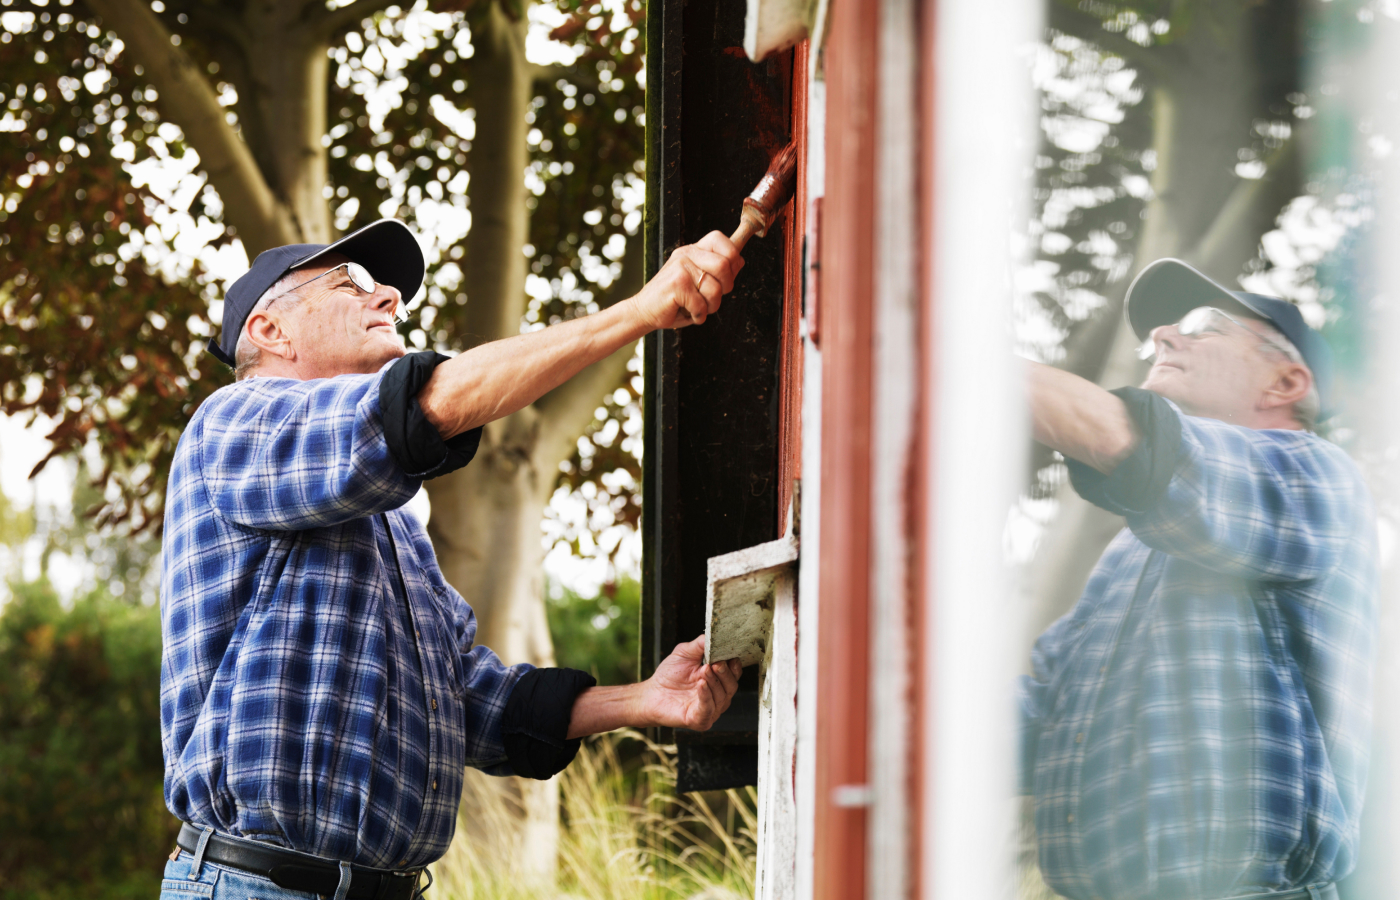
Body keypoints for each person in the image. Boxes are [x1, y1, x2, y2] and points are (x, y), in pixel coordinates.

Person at [159, 218, 747, 900]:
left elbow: (471, 699)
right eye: (353, 283)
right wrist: (639, 312)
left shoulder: (394, 523)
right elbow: (414, 411)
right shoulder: (234, 421)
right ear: (270, 332)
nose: (388, 299)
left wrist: (646, 700)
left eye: (389, 290)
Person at [1020, 258, 1377, 900]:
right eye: (1161, 328)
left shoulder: (1319, 477)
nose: (1164, 334)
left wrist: (944, 356)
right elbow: (1042, 711)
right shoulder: (1130, 554)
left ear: (1285, 382)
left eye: (1202, 324)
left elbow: (1133, 442)